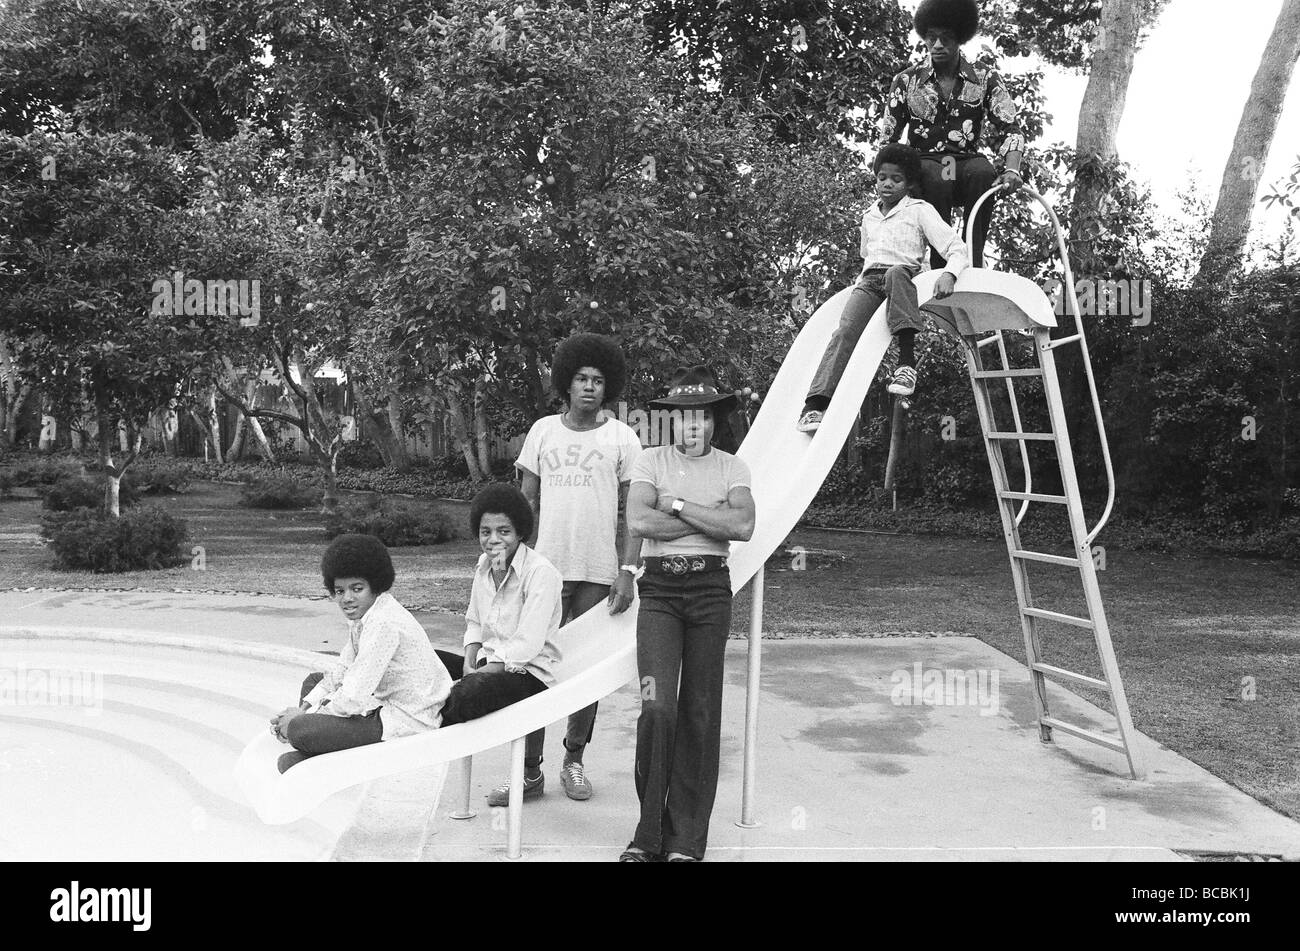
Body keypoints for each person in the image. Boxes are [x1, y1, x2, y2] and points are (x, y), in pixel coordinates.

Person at [620, 365, 755, 862]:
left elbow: (740, 526)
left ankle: (687, 842)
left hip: (709, 593)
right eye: (683, 416)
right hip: (659, 593)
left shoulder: (732, 468)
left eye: (701, 415)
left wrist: (673, 505)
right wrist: (703, 516)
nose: (692, 424)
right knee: (657, 708)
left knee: (699, 713)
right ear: (671, 420)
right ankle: (648, 834)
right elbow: (638, 519)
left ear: (713, 420)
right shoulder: (649, 461)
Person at [506, 333, 643, 805]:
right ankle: (528, 772)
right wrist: (511, 560)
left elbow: (637, 513)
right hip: (546, 570)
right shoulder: (543, 430)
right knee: (531, 668)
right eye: (581, 378)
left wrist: (628, 570)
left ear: (610, 388)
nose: (589, 387)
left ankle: (574, 760)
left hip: (599, 572)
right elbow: (524, 502)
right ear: (566, 382)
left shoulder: (622, 437)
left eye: (598, 381)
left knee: (584, 674)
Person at [797, 143, 968, 433]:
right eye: (882, 177)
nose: (887, 184)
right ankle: (815, 403)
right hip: (870, 279)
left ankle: (906, 364)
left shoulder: (919, 210)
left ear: (910, 183)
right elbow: (867, 253)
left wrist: (949, 274)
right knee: (845, 330)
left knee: (895, 273)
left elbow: (956, 247)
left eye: (896, 179)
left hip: (903, 274)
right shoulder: (869, 216)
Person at [270, 534, 453, 773]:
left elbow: (353, 697)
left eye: (357, 589)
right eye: (339, 591)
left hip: (408, 719)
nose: (347, 599)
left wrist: (297, 721)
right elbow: (342, 671)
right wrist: (303, 709)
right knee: (314, 683)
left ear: (375, 585)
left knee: (300, 730)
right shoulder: (364, 617)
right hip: (381, 703)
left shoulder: (384, 623)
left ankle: (313, 751)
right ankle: (315, 750)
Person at [879, 0, 1025, 269]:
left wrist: (1012, 170)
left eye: (945, 39)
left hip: (966, 159)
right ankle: (941, 266)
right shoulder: (906, 80)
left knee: (983, 172)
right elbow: (889, 139)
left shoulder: (985, 77)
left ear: (960, 38)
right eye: (931, 38)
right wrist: (891, 181)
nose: (937, 45)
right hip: (924, 162)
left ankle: (973, 261)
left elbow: (1010, 128)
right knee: (937, 179)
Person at [436, 484, 564, 778]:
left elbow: (527, 644)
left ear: (520, 532)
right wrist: (469, 662)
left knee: (469, 693)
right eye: (485, 531)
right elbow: (475, 623)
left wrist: (476, 674)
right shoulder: (483, 566)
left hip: (526, 674)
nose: (493, 540)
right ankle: (403, 713)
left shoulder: (540, 572)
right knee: (425, 660)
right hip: (484, 666)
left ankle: (414, 727)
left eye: (503, 531)